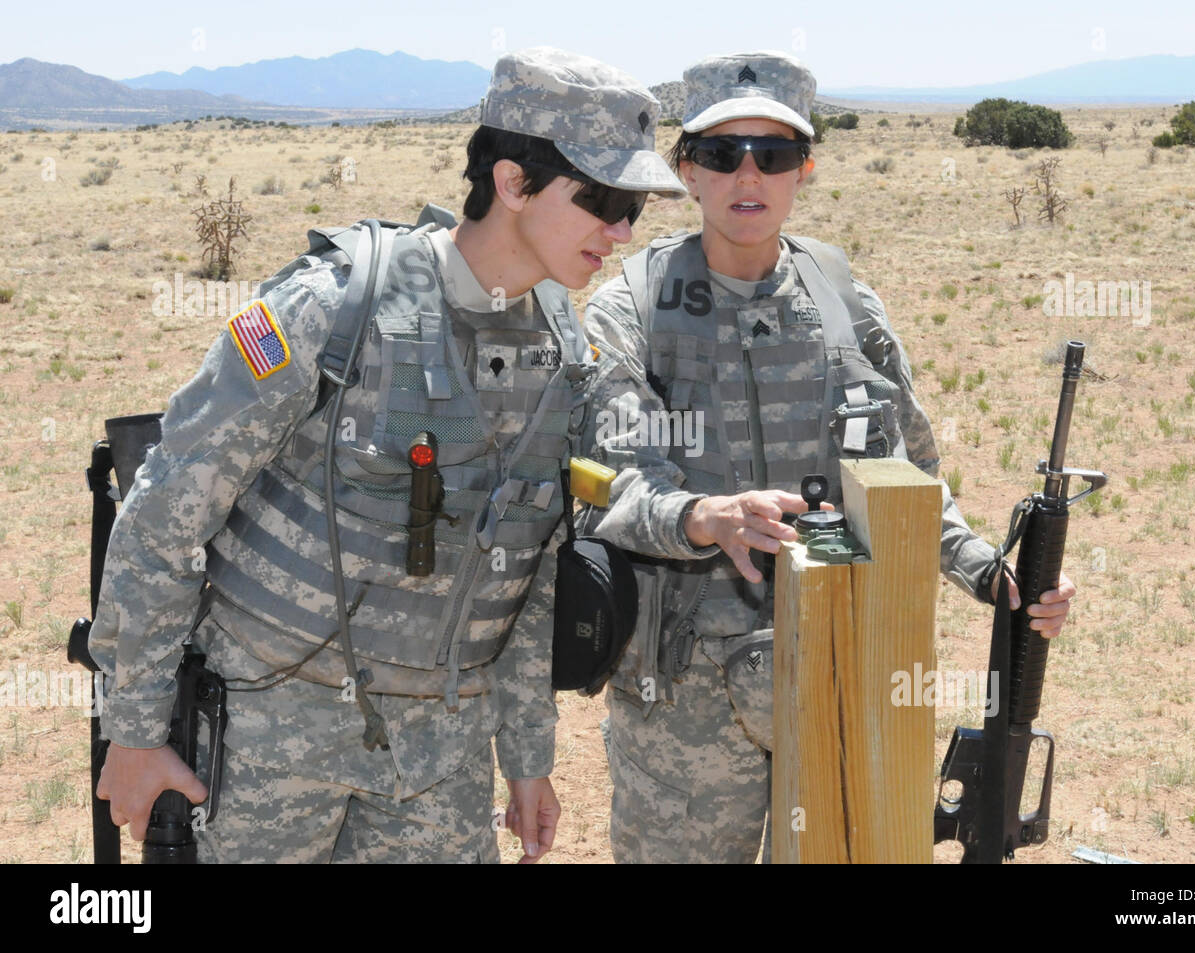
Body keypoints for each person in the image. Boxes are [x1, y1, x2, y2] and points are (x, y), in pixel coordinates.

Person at [88, 47, 685, 864]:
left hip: (436, 763)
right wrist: (135, 731)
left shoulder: (561, 351)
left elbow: (530, 570)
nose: (621, 231)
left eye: (634, 210)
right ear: (513, 183)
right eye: (604, 199)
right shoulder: (330, 309)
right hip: (269, 737)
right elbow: (163, 513)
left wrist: (527, 758)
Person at [578, 50, 1077, 863]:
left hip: (846, 662)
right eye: (720, 153)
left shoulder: (845, 300)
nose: (749, 174)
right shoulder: (630, 309)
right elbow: (607, 487)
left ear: (804, 170)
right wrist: (702, 515)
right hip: (684, 700)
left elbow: (906, 477)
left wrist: (994, 572)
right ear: (686, 172)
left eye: (772, 155)